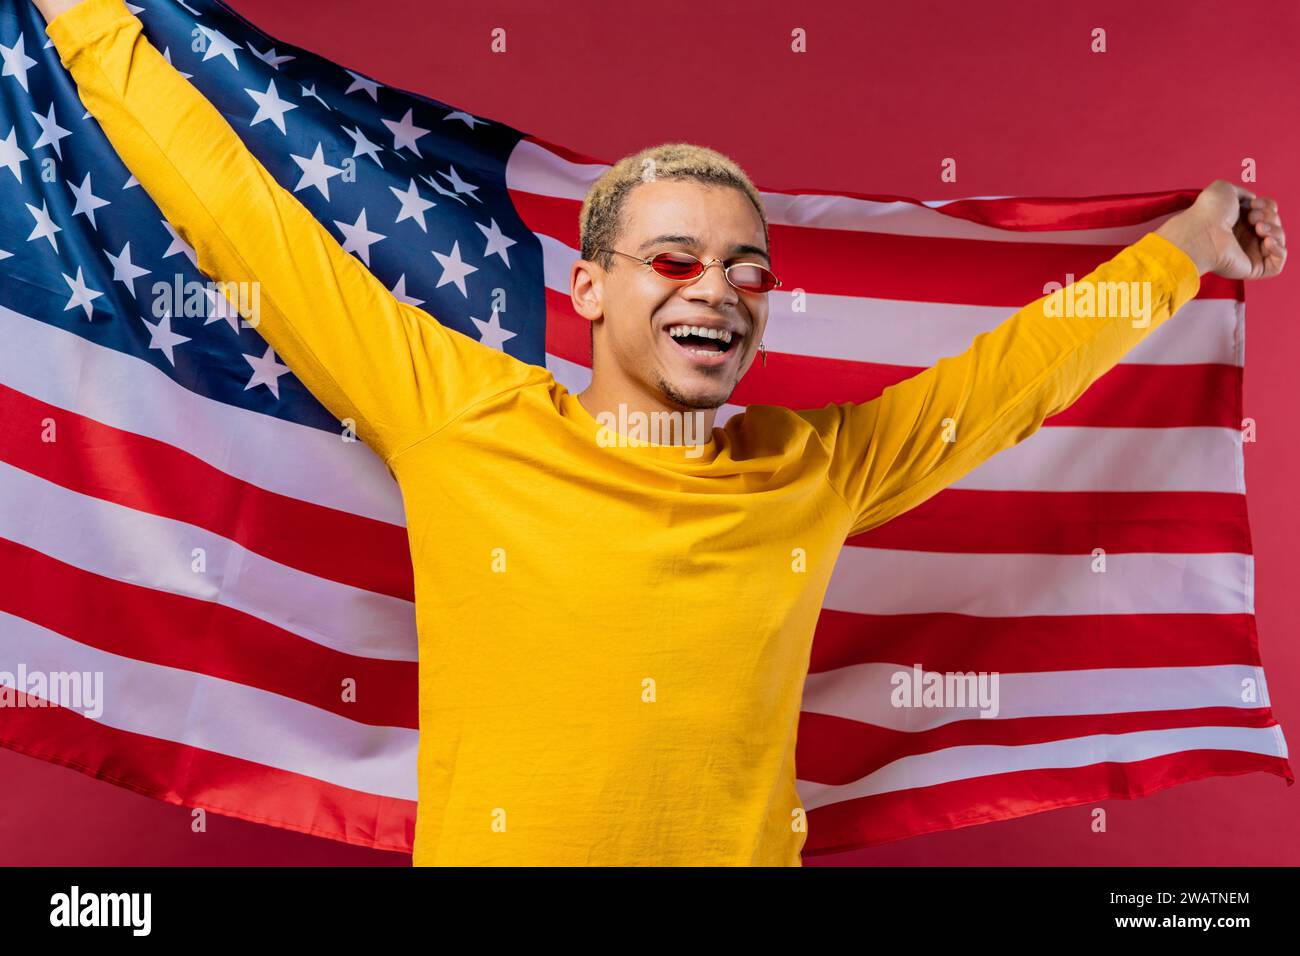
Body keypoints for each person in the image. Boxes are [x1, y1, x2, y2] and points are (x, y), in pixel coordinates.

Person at [33, 0, 1287, 866]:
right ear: (587, 290)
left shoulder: (818, 464)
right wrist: (87, 25)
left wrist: (1185, 247)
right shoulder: (458, 415)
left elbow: (1018, 372)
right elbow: (251, 227)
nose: (712, 288)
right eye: (674, 257)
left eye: (745, 271)